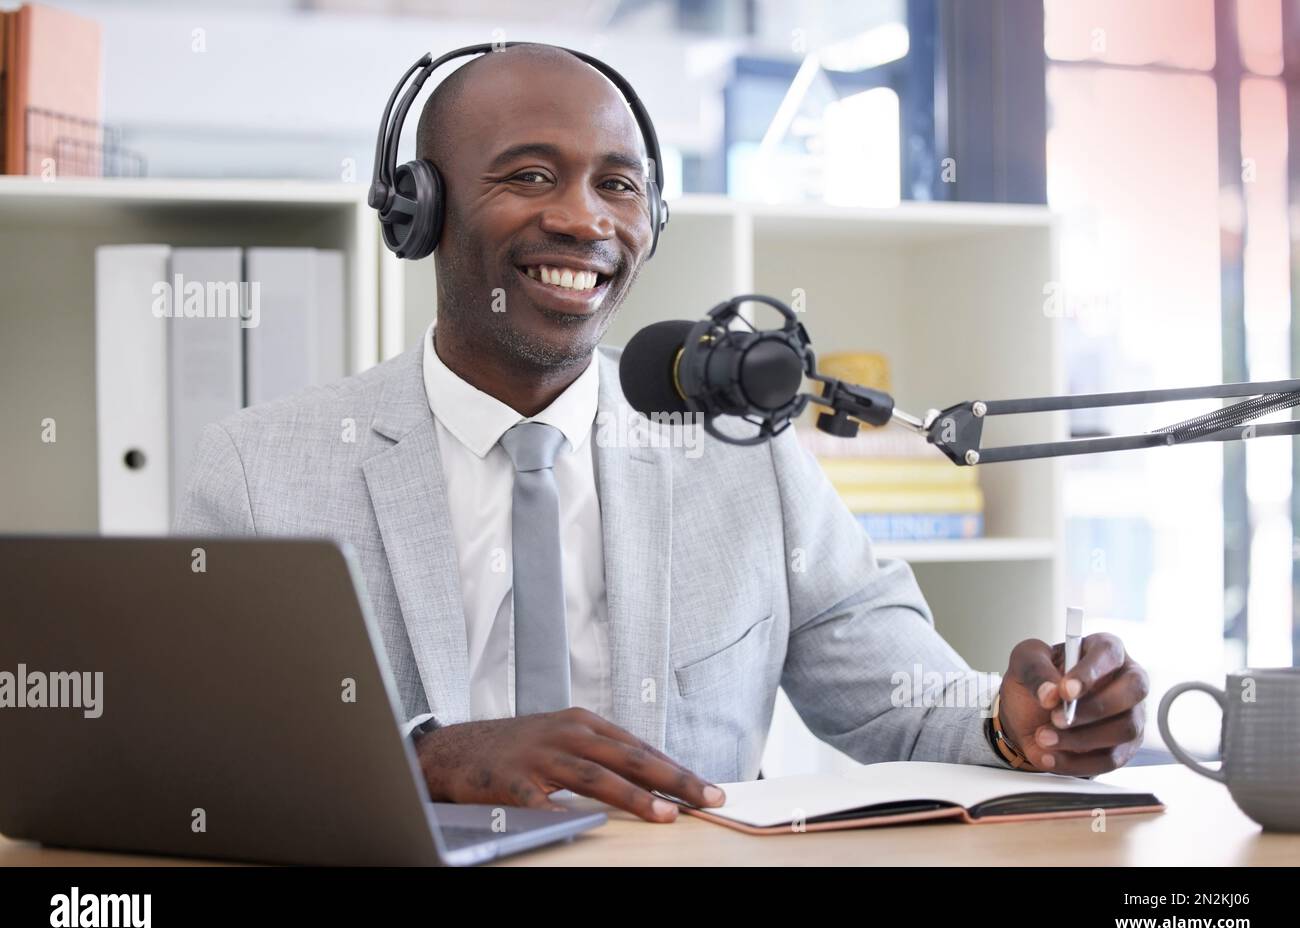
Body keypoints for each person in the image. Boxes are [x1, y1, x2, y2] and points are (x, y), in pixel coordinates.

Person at [177, 44, 1148, 824]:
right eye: (528, 175)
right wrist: (420, 758)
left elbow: (894, 694)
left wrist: (1019, 723)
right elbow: (198, 752)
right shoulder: (262, 470)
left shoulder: (742, 454)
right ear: (420, 208)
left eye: (619, 185)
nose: (582, 218)